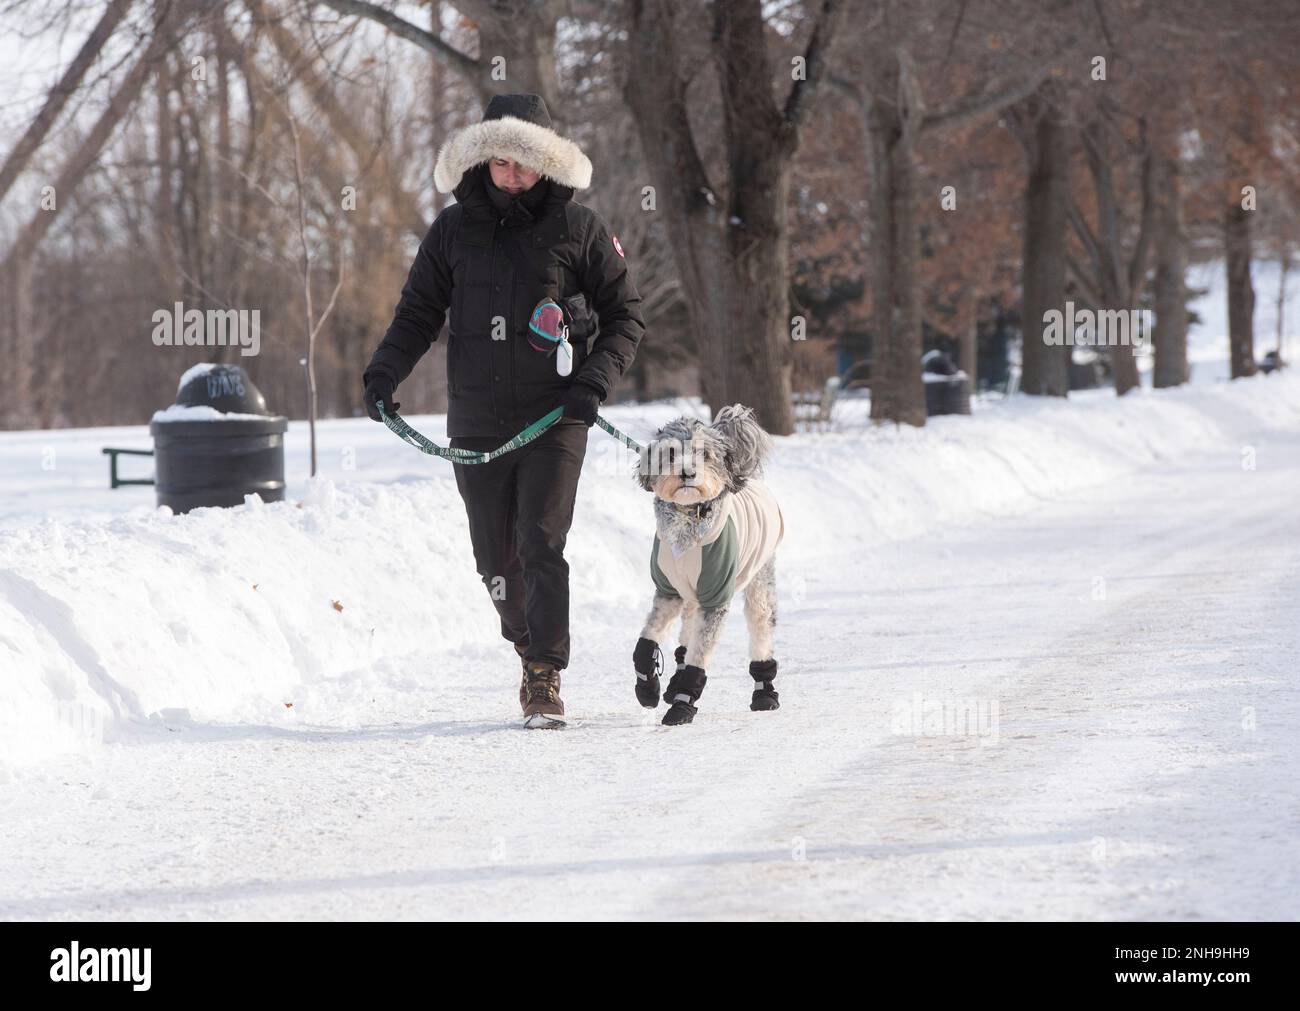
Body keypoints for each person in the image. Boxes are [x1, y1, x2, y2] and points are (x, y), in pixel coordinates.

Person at [362, 93, 645, 727]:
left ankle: (544, 674)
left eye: (526, 163)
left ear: (547, 163)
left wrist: (593, 380)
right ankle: (525, 644)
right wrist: (383, 373)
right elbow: (417, 315)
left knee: (542, 542)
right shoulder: (452, 231)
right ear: (483, 160)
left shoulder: (581, 228)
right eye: (501, 163)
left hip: (556, 415)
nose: (513, 176)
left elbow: (627, 316)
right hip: (477, 417)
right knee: (496, 560)